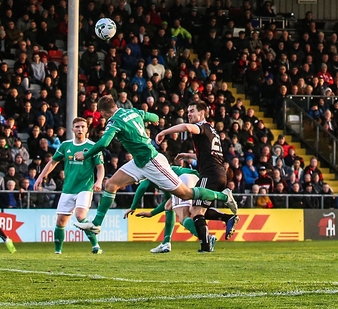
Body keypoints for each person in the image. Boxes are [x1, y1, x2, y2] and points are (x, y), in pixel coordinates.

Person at [74, 96, 237, 235]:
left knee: (186, 194)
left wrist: (85, 154)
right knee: (111, 184)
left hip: (152, 161)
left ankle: (224, 197)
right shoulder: (132, 111)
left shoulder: (114, 122)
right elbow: (154, 117)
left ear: (102, 112)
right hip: (139, 161)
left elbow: (104, 143)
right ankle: (96, 224)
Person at [155, 101, 239, 253]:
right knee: (197, 210)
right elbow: (210, 155)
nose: (189, 114)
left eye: (192, 111)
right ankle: (225, 220)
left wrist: (163, 132)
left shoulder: (202, 127)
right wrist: (188, 155)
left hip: (210, 174)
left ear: (202, 113)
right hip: (219, 173)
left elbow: (187, 127)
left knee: (195, 211)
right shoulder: (211, 131)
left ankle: (206, 244)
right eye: (188, 111)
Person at [34, 117, 105, 255]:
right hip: (68, 189)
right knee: (60, 221)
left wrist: (99, 181)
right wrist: (41, 176)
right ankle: (58, 251)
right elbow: (52, 162)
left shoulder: (92, 147)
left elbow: (100, 167)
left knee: (80, 216)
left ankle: (96, 245)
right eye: (77, 126)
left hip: (85, 187)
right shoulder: (65, 146)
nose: (80, 129)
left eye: (82, 127)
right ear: (72, 129)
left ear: (86, 129)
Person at [128, 165, 202, 253]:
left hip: (184, 179)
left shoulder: (150, 174)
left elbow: (142, 186)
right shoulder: (163, 172)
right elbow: (168, 201)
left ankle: (205, 238)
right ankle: (166, 242)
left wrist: (133, 207)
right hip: (197, 179)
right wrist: (152, 213)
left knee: (183, 216)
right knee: (170, 206)